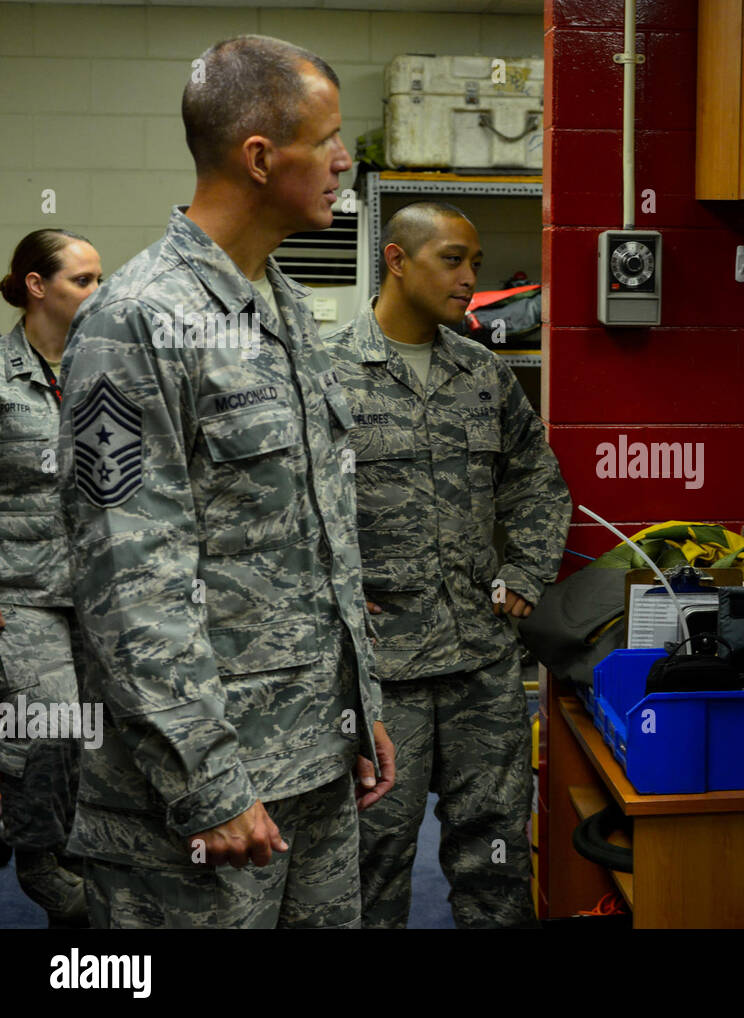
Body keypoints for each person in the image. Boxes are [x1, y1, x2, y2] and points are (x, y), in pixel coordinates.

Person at [57, 34, 394, 929]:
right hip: (202, 803)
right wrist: (207, 780)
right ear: (258, 157)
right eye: (328, 140)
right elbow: (131, 589)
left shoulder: (277, 306)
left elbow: (316, 537)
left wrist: (359, 711)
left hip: (314, 770)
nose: (341, 164)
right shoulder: (134, 322)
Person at [324, 201, 570, 928]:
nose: (469, 280)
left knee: (495, 854)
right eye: (453, 260)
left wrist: (525, 574)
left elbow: (536, 480)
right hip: (379, 675)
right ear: (398, 261)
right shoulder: (326, 374)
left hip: (480, 667)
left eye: (476, 264)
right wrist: (326, 598)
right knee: (372, 860)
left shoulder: (484, 375)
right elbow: (282, 509)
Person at [0, 229, 102, 926]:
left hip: (102, 598)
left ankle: (80, 877)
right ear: (38, 286)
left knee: (102, 740)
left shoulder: (109, 375)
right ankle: (39, 857)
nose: (101, 293)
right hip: (22, 596)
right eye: (85, 281)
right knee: (54, 718)